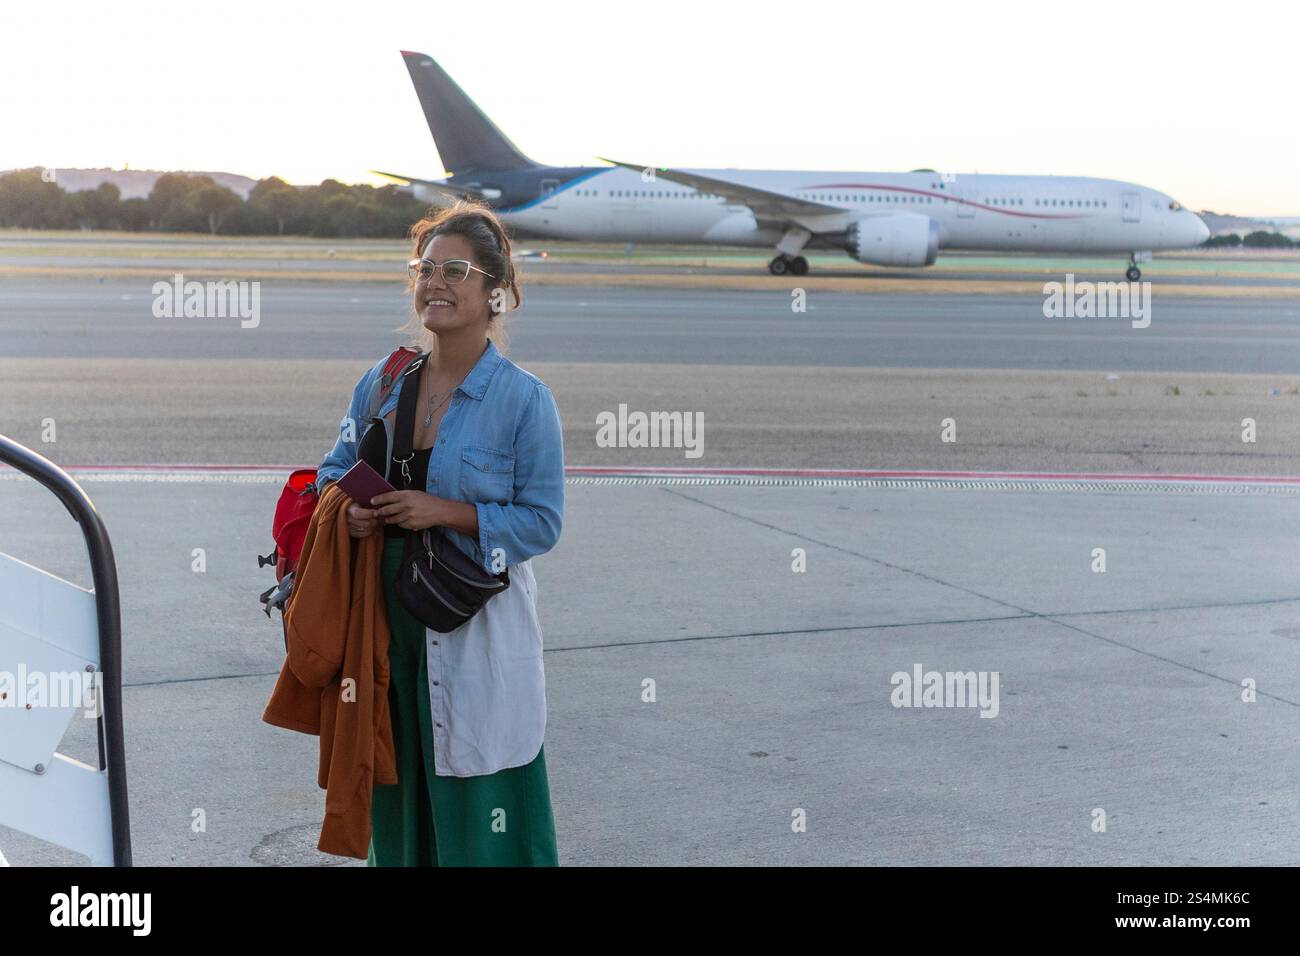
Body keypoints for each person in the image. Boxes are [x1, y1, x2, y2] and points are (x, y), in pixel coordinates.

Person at [315, 200, 564, 866]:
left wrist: (444, 512)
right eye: (426, 268)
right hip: (384, 628)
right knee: (398, 795)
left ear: (496, 292)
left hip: (471, 622)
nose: (436, 283)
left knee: (480, 792)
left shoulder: (524, 399)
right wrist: (353, 511)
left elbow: (542, 522)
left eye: (456, 270)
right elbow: (332, 473)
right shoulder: (384, 381)